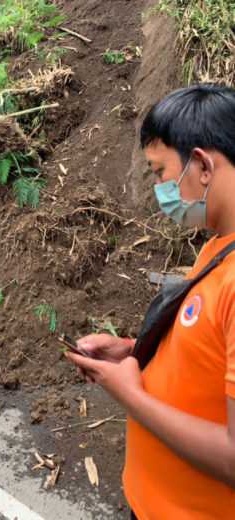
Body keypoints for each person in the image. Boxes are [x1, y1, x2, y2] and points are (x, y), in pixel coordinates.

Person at [67, 84, 235, 519]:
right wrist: (131, 350)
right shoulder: (219, 245)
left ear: (201, 165)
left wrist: (131, 396)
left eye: (160, 172)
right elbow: (210, 352)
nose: (160, 188)